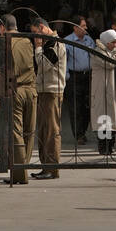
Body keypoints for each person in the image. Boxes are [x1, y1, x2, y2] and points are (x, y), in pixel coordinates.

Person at [0, 15, 37, 185]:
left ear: (2, 27)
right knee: (29, 131)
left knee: (16, 132)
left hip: (15, 90)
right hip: (31, 89)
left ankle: (19, 173)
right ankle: (23, 166)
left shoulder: (4, 43)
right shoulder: (27, 41)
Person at [31, 17, 66, 179]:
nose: (35, 37)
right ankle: (46, 165)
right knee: (44, 130)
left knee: (51, 130)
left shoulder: (55, 44)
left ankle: (52, 167)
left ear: (42, 28)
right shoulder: (49, 43)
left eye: (35, 33)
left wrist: (38, 48)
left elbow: (44, 65)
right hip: (44, 90)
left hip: (52, 91)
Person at [90, 28, 116, 157]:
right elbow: (110, 63)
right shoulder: (98, 51)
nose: (115, 45)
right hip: (101, 90)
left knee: (111, 117)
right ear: (107, 42)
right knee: (102, 118)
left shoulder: (111, 51)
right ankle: (103, 147)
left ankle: (110, 145)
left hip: (111, 89)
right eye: (113, 42)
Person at [65, 15, 94, 143]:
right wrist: (67, 76)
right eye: (83, 26)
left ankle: (83, 130)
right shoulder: (68, 41)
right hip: (74, 77)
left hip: (88, 76)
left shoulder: (89, 40)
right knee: (76, 107)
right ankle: (79, 135)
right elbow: (64, 60)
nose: (85, 28)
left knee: (87, 106)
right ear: (75, 27)